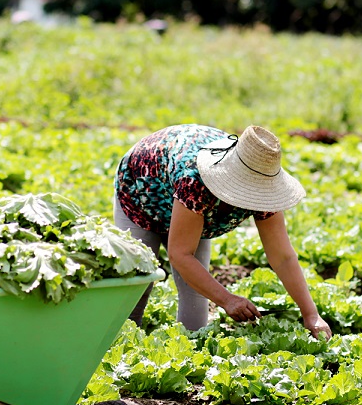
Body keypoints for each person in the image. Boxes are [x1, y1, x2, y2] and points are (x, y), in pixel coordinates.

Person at [114, 124, 332, 340]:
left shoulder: (265, 188)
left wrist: (311, 314)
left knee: (196, 296)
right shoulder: (196, 181)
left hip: (184, 197)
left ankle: (189, 355)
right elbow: (180, 254)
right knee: (138, 281)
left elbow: (283, 257)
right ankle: (119, 346)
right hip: (141, 191)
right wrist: (227, 299)